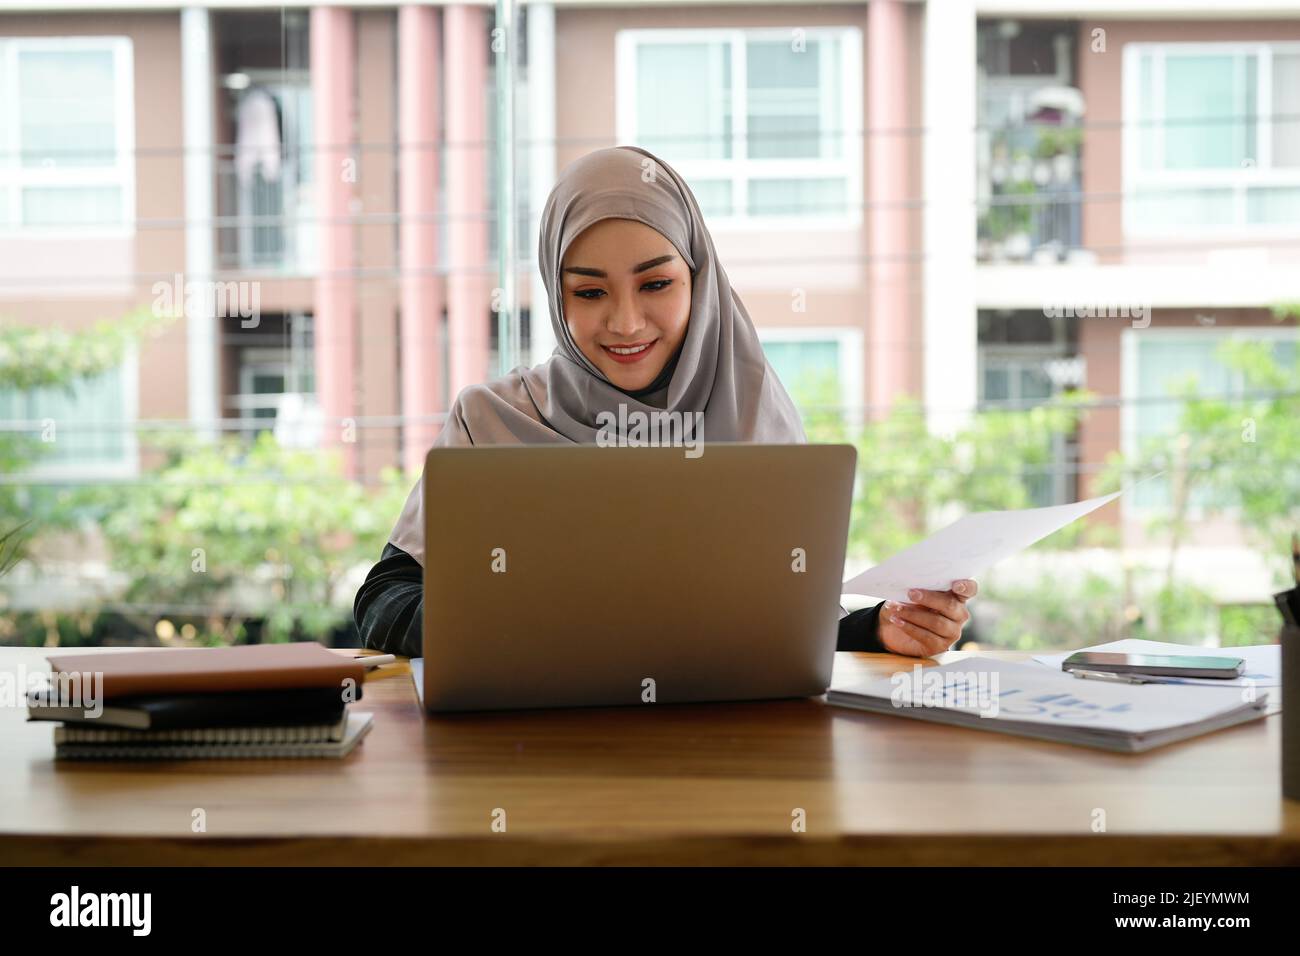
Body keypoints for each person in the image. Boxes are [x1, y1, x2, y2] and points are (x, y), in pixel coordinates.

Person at [354, 145, 976, 660]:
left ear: (699, 281)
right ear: (554, 293)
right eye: (589, 292)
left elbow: (781, 628)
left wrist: (878, 629)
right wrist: (538, 619)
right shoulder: (492, 420)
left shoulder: (756, 415)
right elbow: (383, 603)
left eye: (656, 284)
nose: (625, 323)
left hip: (730, 764)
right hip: (528, 758)